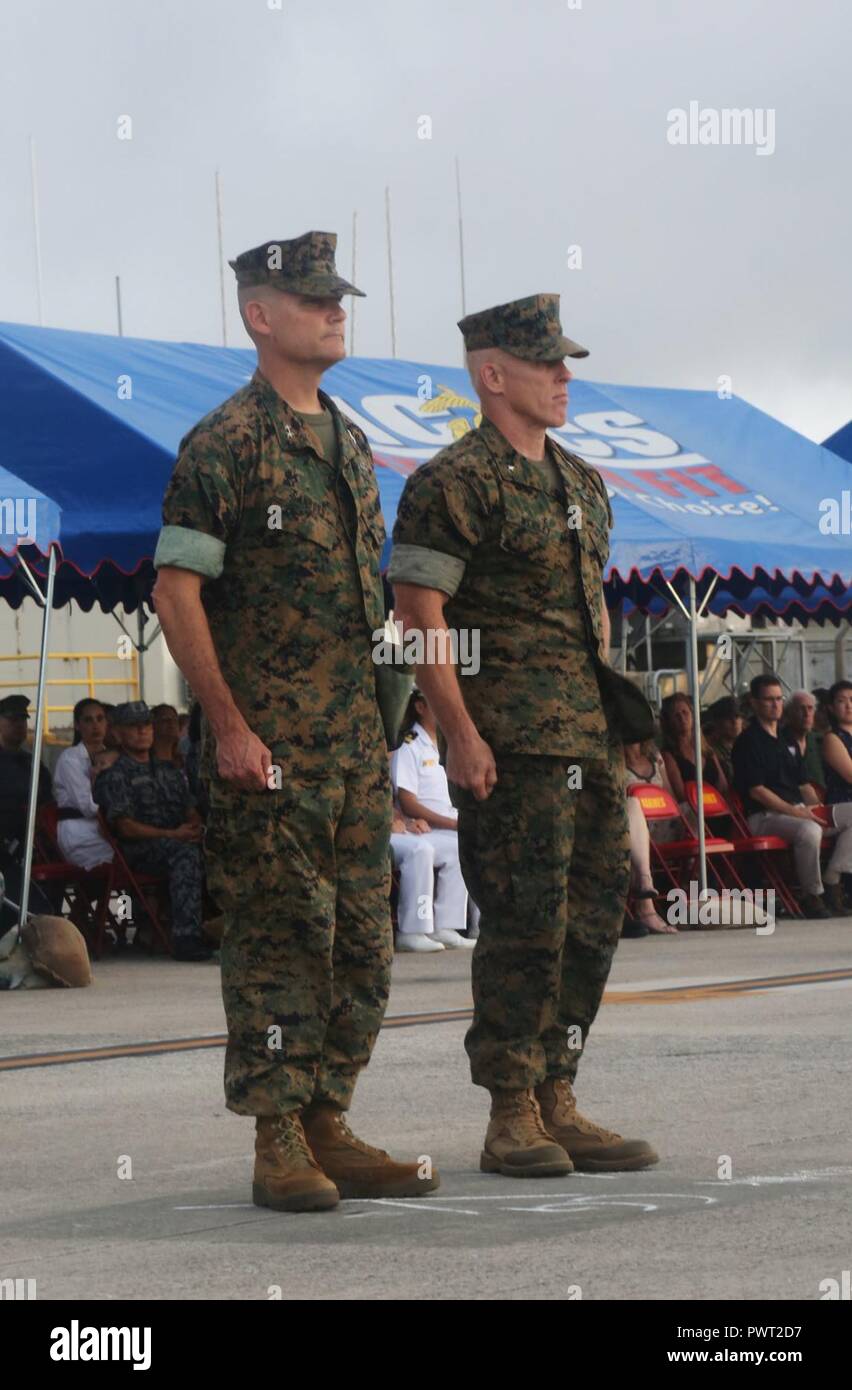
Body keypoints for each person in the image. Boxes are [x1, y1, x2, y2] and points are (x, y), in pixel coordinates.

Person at [152, 231, 438, 1213]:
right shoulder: (225, 441)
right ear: (258, 314)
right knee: (280, 942)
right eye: (313, 298)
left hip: (355, 749)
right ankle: (278, 1139)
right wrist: (228, 725)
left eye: (336, 296)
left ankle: (328, 1118)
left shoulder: (352, 444)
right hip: (266, 756)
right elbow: (175, 590)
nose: (335, 310)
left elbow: (372, 607)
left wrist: (401, 714)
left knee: (362, 945)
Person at [390, 293, 657, 1177]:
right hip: (508, 749)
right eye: (547, 363)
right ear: (492, 374)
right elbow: (419, 612)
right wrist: (458, 734)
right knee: (522, 927)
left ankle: (559, 1094)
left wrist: (616, 725)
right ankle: (511, 1111)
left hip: (585, 744)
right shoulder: (453, 482)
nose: (564, 376)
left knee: (588, 927)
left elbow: (593, 615)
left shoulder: (581, 482)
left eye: (565, 361)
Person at [93, 701, 215, 958]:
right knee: (185, 853)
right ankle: (186, 938)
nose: (142, 731)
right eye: (133, 726)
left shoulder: (168, 770)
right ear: (117, 733)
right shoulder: (116, 775)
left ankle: (218, 926)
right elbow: (125, 828)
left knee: (219, 844)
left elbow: (189, 807)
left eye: (146, 724)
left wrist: (193, 826)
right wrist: (174, 835)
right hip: (140, 850)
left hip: (176, 839)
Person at [732, 673, 852, 918]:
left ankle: (832, 878)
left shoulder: (787, 739)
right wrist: (796, 812)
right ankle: (812, 895)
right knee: (809, 830)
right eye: (768, 700)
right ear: (754, 703)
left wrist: (820, 808)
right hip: (765, 816)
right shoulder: (748, 741)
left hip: (798, 810)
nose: (776, 704)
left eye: (779, 698)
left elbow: (803, 785)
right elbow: (757, 791)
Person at [390, 689, 476, 951]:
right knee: (421, 851)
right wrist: (450, 823)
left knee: (460, 845)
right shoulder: (410, 744)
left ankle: (446, 926)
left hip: (439, 828)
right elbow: (407, 801)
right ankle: (411, 931)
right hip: (417, 828)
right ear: (420, 707)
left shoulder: (447, 744)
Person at [0, 693, 54, 931]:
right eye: (12, 720)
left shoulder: (31, 764)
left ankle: (43, 924)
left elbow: (47, 802)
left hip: (31, 840)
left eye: (23, 720)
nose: (20, 725)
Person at [53, 699, 114, 870]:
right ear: (78, 726)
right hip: (80, 833)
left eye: (100, 719)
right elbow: (88, 806)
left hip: (110, 829)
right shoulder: (70, 758)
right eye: (88, 720)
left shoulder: (113, 755)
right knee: (126, 861)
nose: (95, 725)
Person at [623, 740, 677, 934]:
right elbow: (574, 784)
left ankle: (645, 882)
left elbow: (671, 797)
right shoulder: (579, 762)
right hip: (607, 826)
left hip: (653, 828)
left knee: (633, 805)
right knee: (633, 805)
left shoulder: (655, 756)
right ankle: (645, 907)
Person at [660, 692, 727, 804]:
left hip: (717, 807)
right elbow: (681, 794)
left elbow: (723, 787)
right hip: (692, 811)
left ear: (692, 715)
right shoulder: (669, 755)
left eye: (685, 713)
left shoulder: (707, 751)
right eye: (676, 715)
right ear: (669, 721)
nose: (682, 718)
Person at [781, 691, 826, 793]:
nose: (807, 714)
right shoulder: (778, 741)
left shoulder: (821, 741)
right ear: (788, 713)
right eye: (800, 709)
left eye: (810, 708)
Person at [702, 696, 743, 791]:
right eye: (728, 718)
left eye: (737, 717)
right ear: (717, 722)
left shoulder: (748, 745)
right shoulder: (711, 751)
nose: (734, 722)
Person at [151, 704, 184, 769]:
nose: (171, 723)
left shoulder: (183, 761)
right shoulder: (144, 762)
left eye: (175, 719)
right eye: (165, 720)